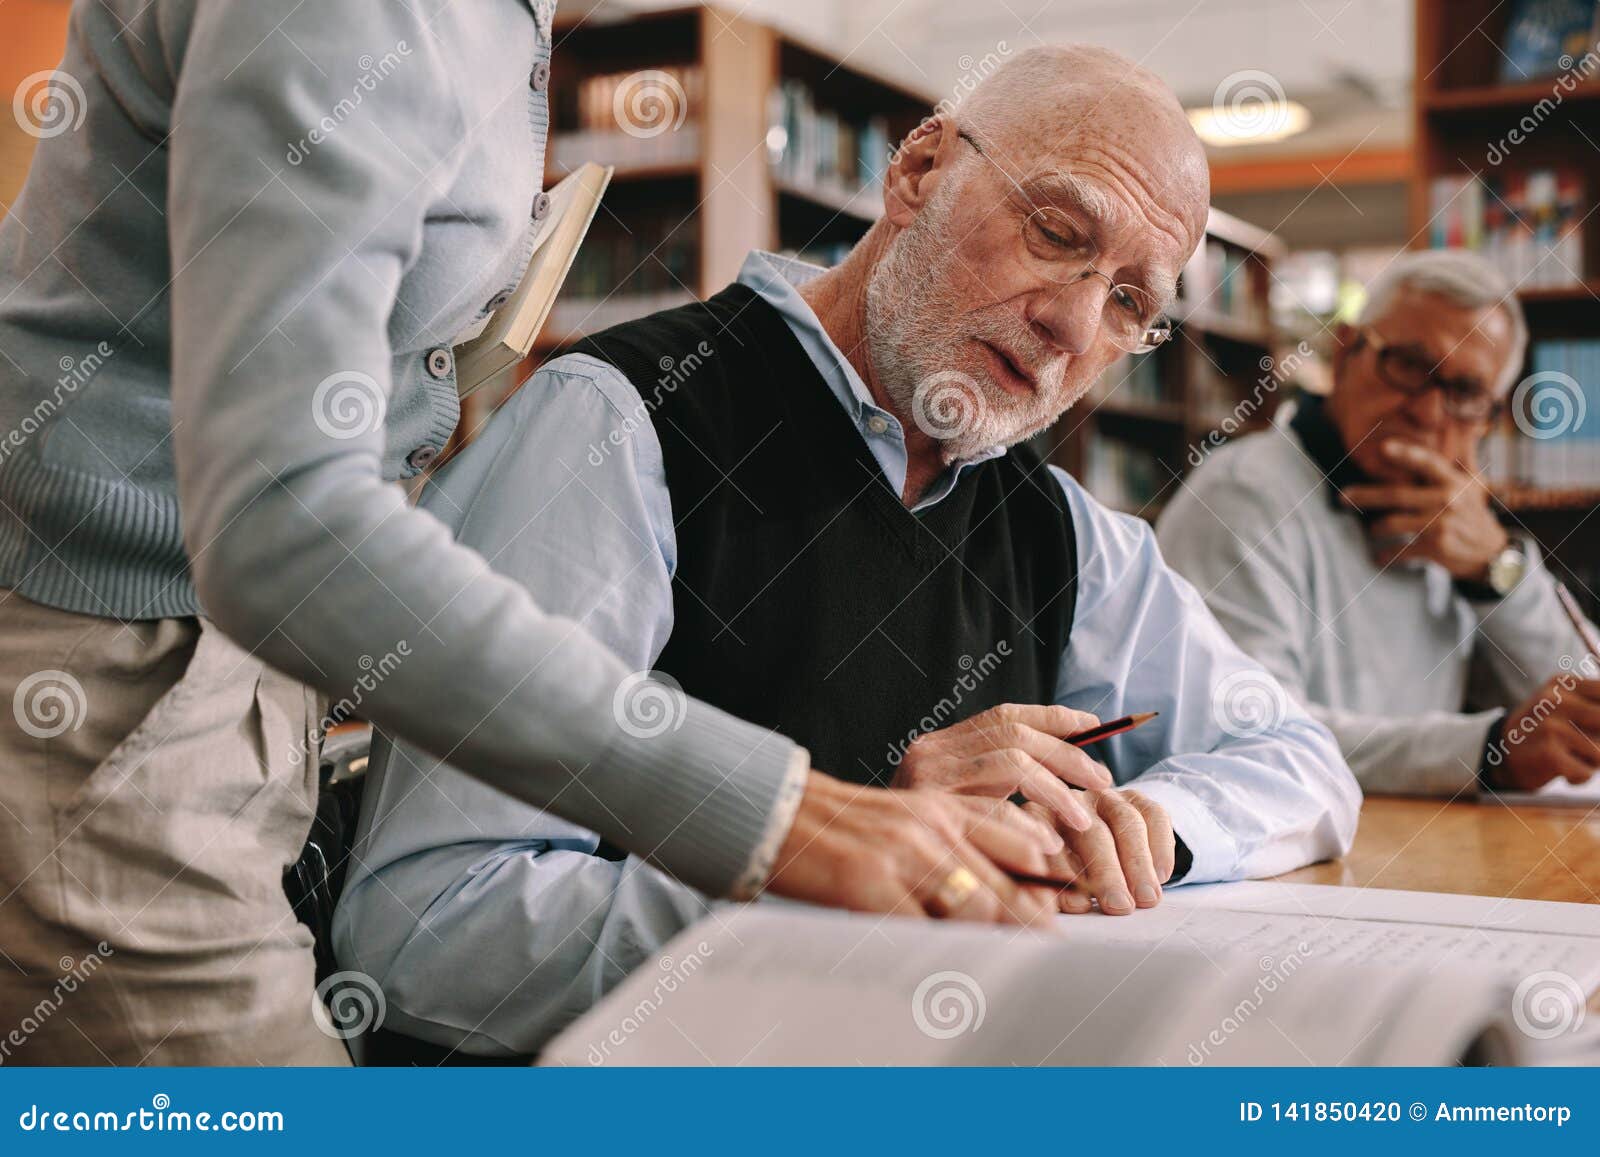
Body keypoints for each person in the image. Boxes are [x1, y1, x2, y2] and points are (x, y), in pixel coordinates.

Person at [0, 0, 1063, 1067]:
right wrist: (793, 822)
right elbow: (281, 524)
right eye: (1053, 234)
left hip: (209, 663)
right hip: (113, 672)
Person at [334, 45, 1360, 1059]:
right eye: (1055, 233)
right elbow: (424, 931)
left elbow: (1303, 763)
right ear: (919, 171)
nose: (1071, 321)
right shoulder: (618, 429)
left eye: (1132, 301)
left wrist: (1153, 821)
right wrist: (835, 864)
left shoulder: (1063, 531)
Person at [1159, 249, 1599, 797]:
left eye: (1464, 392)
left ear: (1489, 416)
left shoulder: (1456, 525)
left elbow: (1581, 716)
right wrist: (1487, 752)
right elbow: (1254, 737)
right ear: (1345, 353)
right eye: (1411, 366)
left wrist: (1495, 570)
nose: (1430, 412)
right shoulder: (1241, 495)